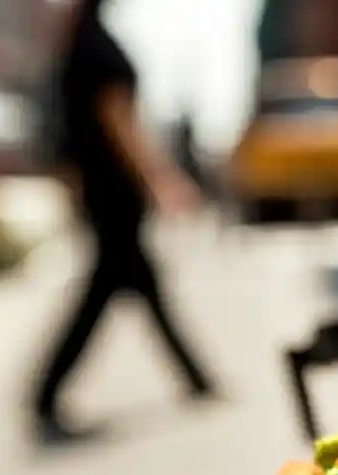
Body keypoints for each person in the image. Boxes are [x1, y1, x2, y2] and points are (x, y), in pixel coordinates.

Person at [33, 0, 215, 441]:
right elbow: (120, 124)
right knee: (106, 290)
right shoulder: (96, 48)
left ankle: (198, 380)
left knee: (141, 284)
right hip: (114, 192)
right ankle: (44, 395)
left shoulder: (76, 47)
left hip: (102, 191)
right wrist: (161, 180)